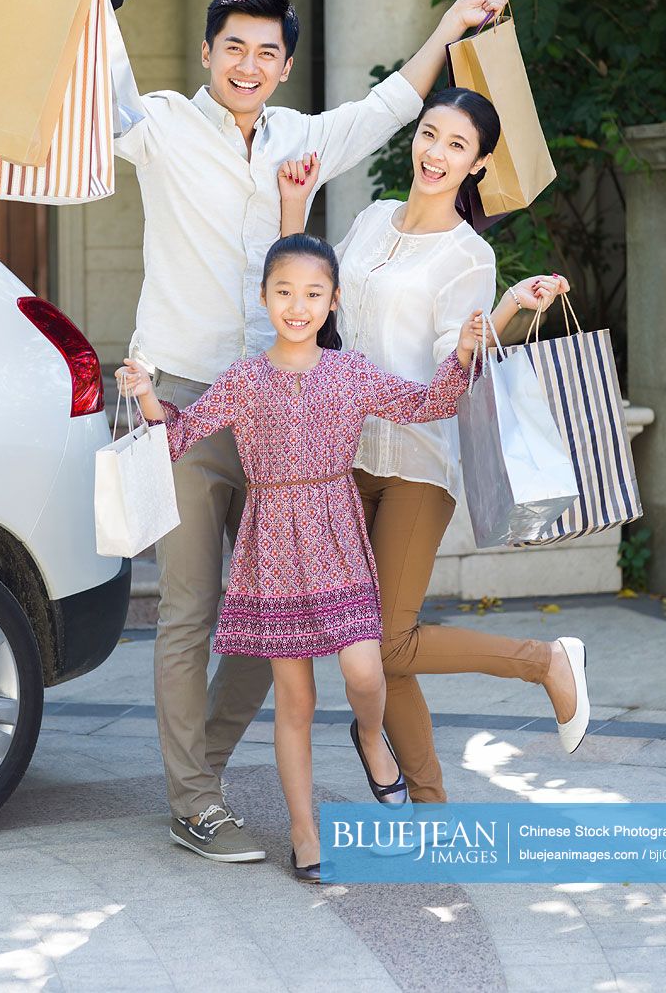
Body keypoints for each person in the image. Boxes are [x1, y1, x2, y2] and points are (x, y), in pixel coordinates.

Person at [11, 0, 510, 862]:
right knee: (192, 607)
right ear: (207, 53)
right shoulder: (159, 125)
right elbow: (92, 81)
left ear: (283, 65)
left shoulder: (302, 136)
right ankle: (195, 800)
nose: (247, 63)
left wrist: (447, 30)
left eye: (265, 51)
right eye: (231, 46)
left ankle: (192, 768)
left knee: (266, 622)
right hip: (190, 397)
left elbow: (394, 104)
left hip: (291, 405)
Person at [117, 233, 485, 879]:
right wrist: (145, 391)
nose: (297, 304)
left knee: (365, 672)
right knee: (294, 701)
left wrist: (462, 350)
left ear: (333, 301)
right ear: (264, 298)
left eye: (312, 293)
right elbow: (178, 437)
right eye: (284, 291)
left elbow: (431, 403)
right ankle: (303, 829)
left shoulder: (350, 371)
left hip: (337, 539)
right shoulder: (243, 381)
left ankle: (370, 737)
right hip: (273, 549)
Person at [279, 86, 590, 804]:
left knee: (388, 640)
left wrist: (506, 309)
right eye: (429, 135)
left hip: (417, 458)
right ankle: (429, 805)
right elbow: (319, 301)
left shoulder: (466, 255)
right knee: (372, 647)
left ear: (478, 164)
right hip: (344, 452)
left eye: (457, 145)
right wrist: (294, 212)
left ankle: (544, 660)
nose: (436, 153)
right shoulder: (370, 219)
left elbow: (459, 345)